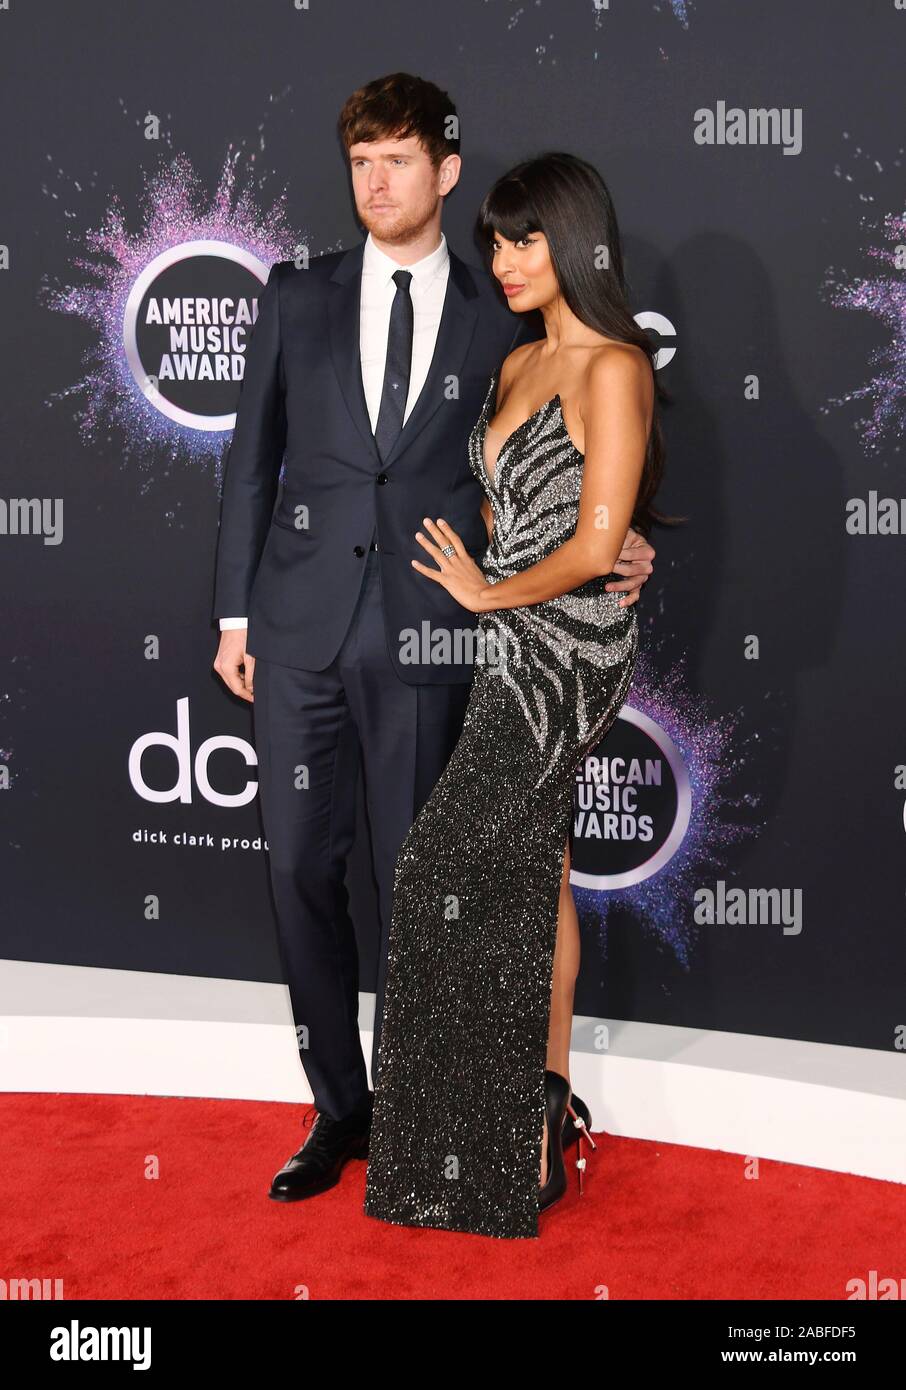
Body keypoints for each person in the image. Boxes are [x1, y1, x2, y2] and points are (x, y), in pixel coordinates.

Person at [211, 75, 656, 1205]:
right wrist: (233, 614)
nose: (377, 180)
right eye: (362, 160)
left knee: (430, 884)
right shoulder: (295, 293)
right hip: (299, 633)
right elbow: (250, 465)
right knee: (300, 869)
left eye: (400, 159)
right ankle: (339, 1108)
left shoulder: (497, 315)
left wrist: (624, 540)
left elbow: (539, 467)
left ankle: (424, 1116)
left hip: (437, 640)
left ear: (444, 173)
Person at [363, 151, 671, 1239]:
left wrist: (496, 591)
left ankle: (485, 1137)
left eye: (525, 239)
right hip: (510, 637)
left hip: (566, 652)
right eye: (493, 240)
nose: (502, 260)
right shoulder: (513, 366)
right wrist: (504, 579)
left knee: (442, 864)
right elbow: (527, 514)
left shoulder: (615, 366)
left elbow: (594, 543)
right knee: (534, 872)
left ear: (579, 240)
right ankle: (537, 1119)